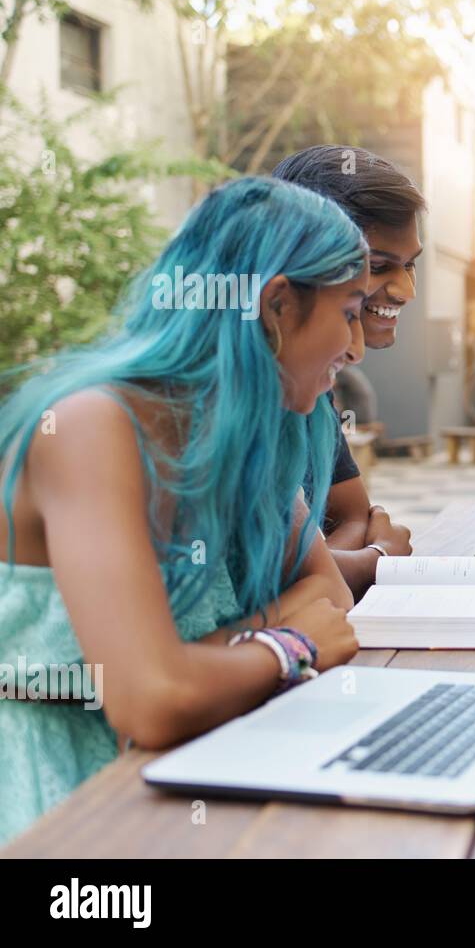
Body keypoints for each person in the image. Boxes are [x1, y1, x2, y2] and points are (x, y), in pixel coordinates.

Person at [0, 177, 365, 843]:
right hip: (60, 812)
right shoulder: (90, 426)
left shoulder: (244, 434)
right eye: (350, 310)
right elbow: (153, 698)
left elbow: (330, 592)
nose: (358, 346)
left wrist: (199, 659)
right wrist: (289, 642)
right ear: (278, 305)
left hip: (196, 768)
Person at [272, 145, 427, 597]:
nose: (407, 291)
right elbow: (265, 578)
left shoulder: (314, 394)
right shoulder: (220, 404)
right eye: (378, 266)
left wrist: (331, 565)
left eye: (411, 265)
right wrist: (371, 561)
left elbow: (353, 517)